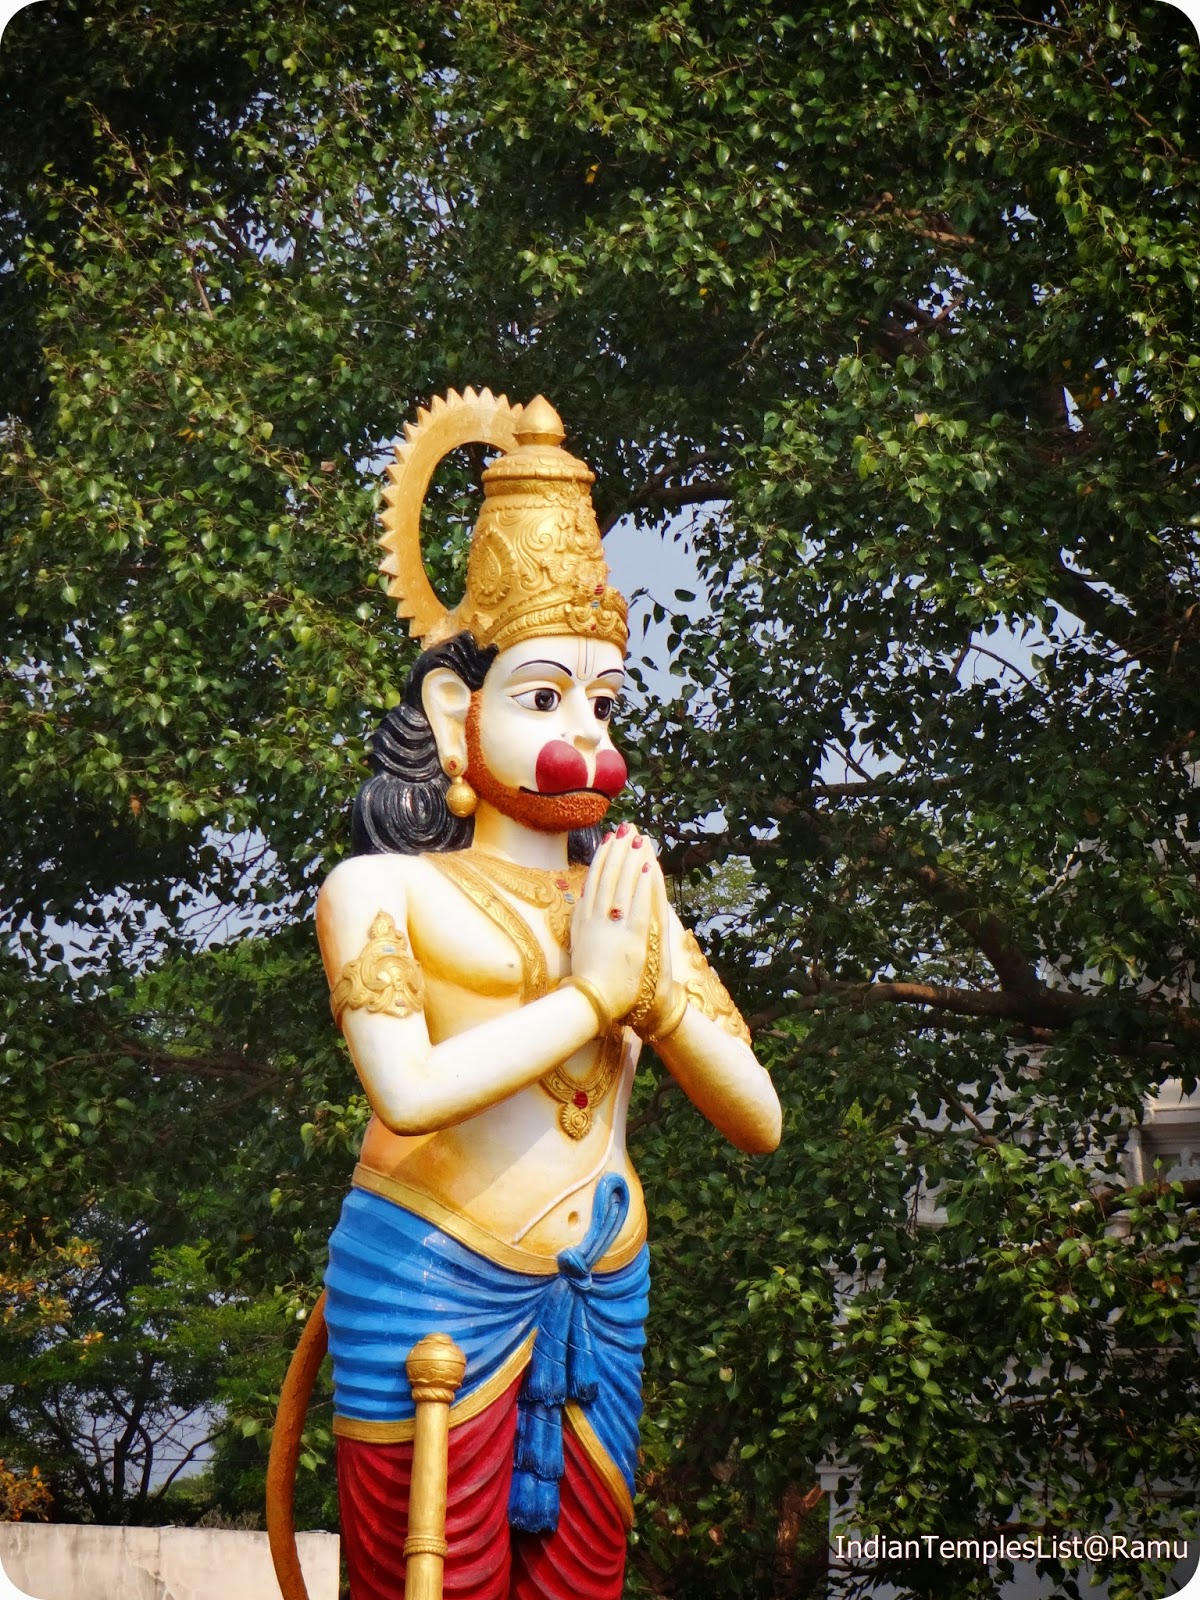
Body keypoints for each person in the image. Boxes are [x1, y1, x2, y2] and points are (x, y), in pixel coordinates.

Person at [311, 390, 781, 1600]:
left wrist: (651, 994)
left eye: (603, 702)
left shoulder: (626, 902)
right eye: (543, 697)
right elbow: (409, 1092)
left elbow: (760, 1117)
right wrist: (591, 996)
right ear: (455, 710)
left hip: (601, 1286)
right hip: (429, 1278)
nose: (587, 736)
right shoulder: (380, 890)